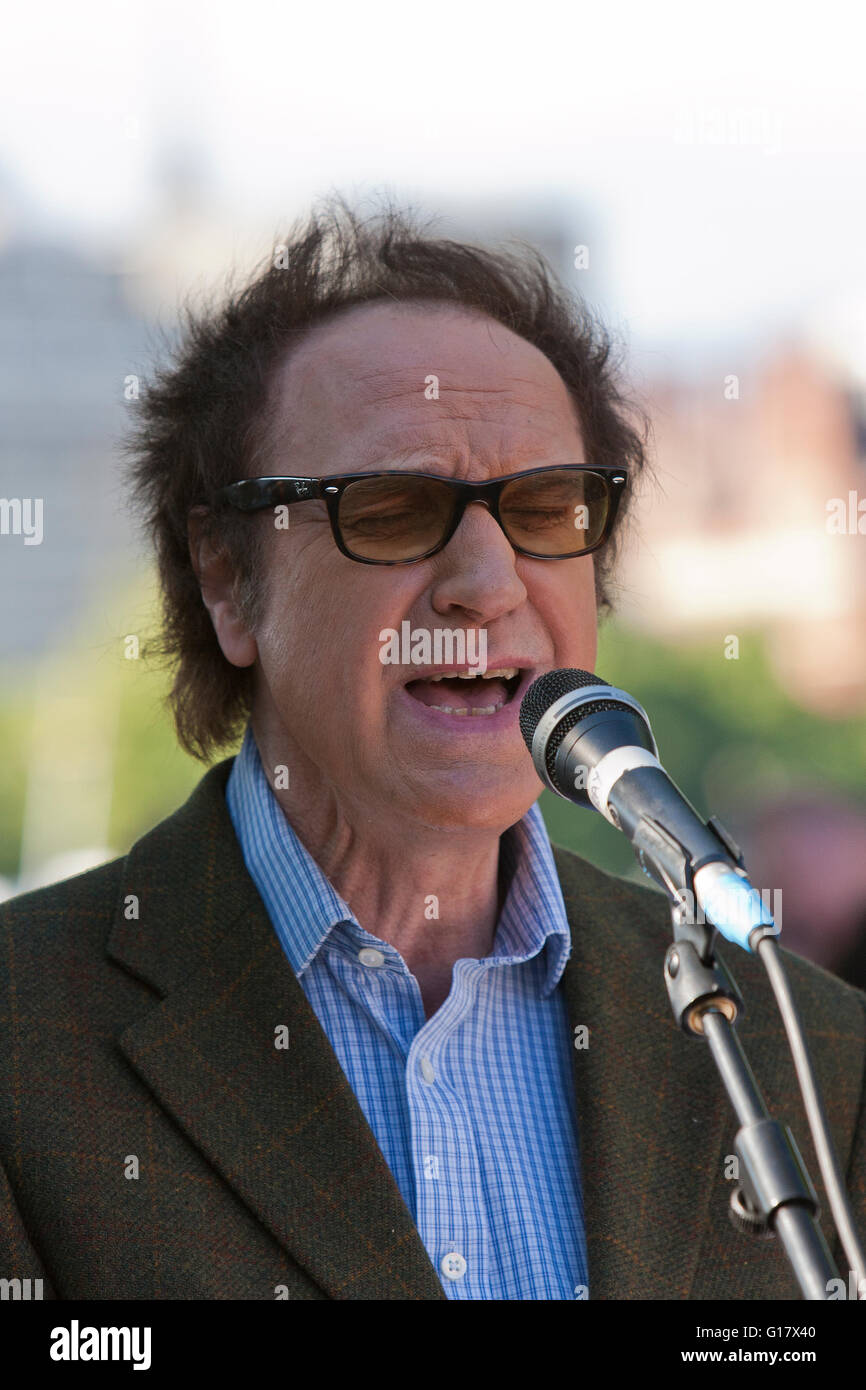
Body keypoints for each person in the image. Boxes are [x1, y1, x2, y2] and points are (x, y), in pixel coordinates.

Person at [1, 198, 864, 1301]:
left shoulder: (807, 1053)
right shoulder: (25, 1035)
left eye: (545, 509)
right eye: (395, 509)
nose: (488, 583)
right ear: (226, 578)